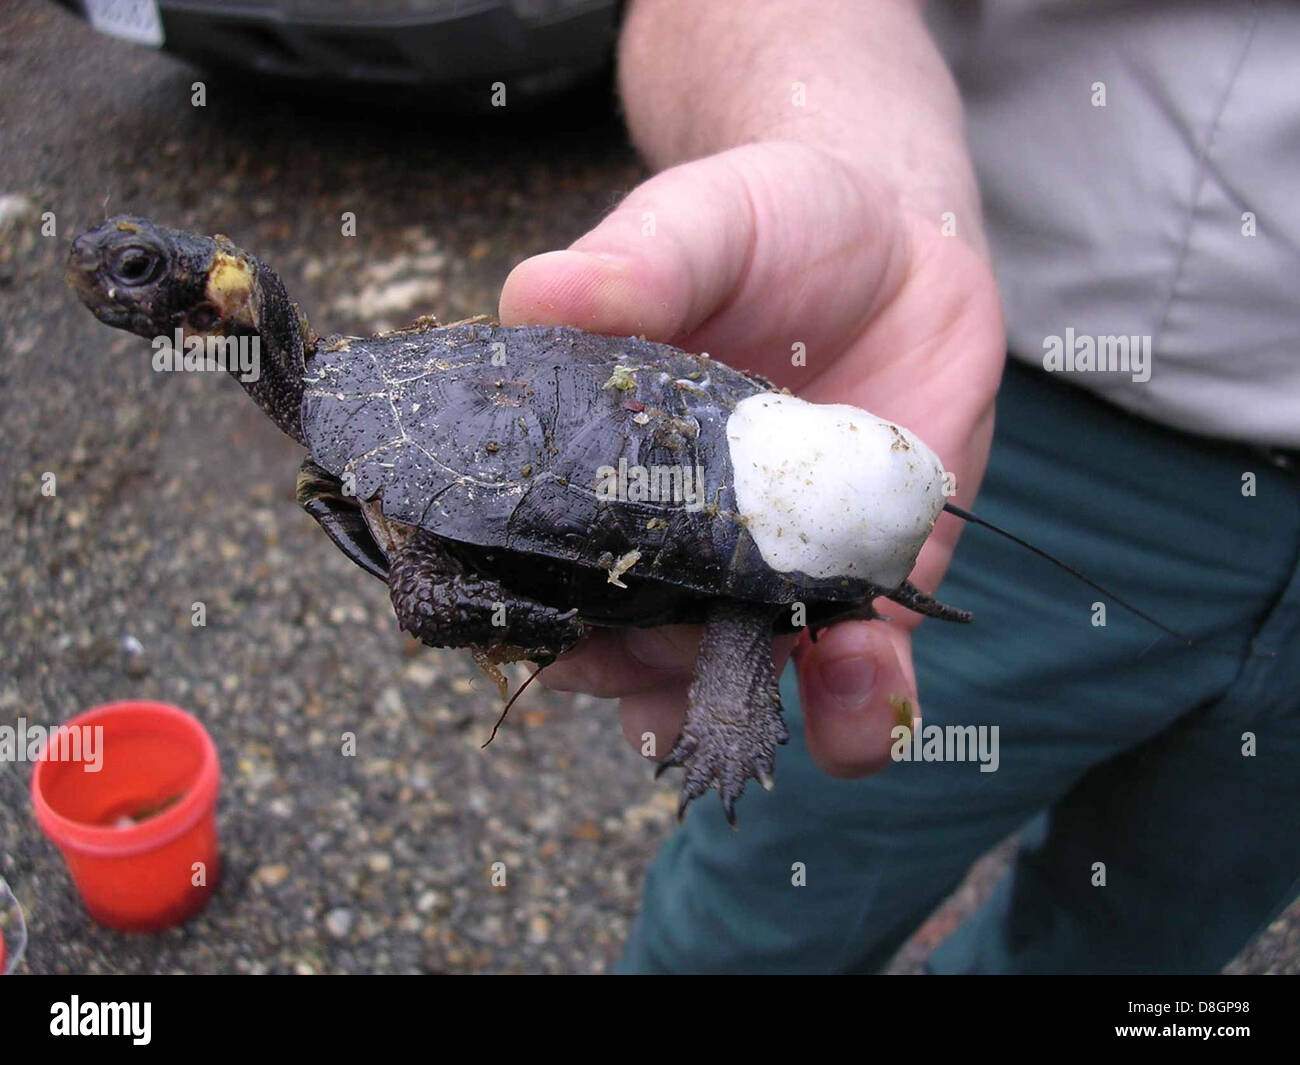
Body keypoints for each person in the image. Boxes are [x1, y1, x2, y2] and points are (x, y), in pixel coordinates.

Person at [497, 0, 1300, 973]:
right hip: (972, 404)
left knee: (1153, 950)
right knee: (762, 922)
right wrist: (867, 182)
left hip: (900, 475)